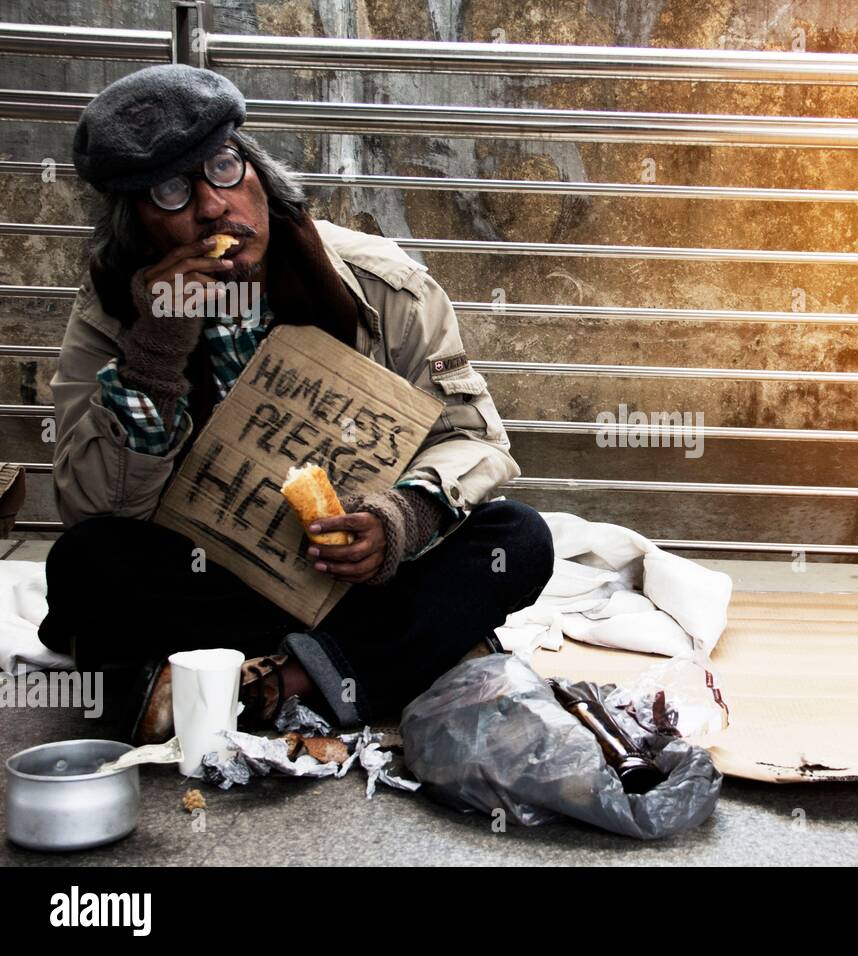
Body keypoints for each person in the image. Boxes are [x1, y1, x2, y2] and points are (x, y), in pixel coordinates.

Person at [36, 63, 554, 744]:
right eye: (169, 191)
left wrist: (404, 517)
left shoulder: (382, 281)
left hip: (351, 572)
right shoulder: (111, 314)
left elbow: (476, 441)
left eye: (223, 167)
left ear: (256, 170)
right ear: (136, 223)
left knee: (517, 540)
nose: (212, 206)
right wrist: (154, 353)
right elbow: (94, 507)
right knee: (84, 563)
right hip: (213, 572)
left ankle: (280, 682)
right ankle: (390, 658)